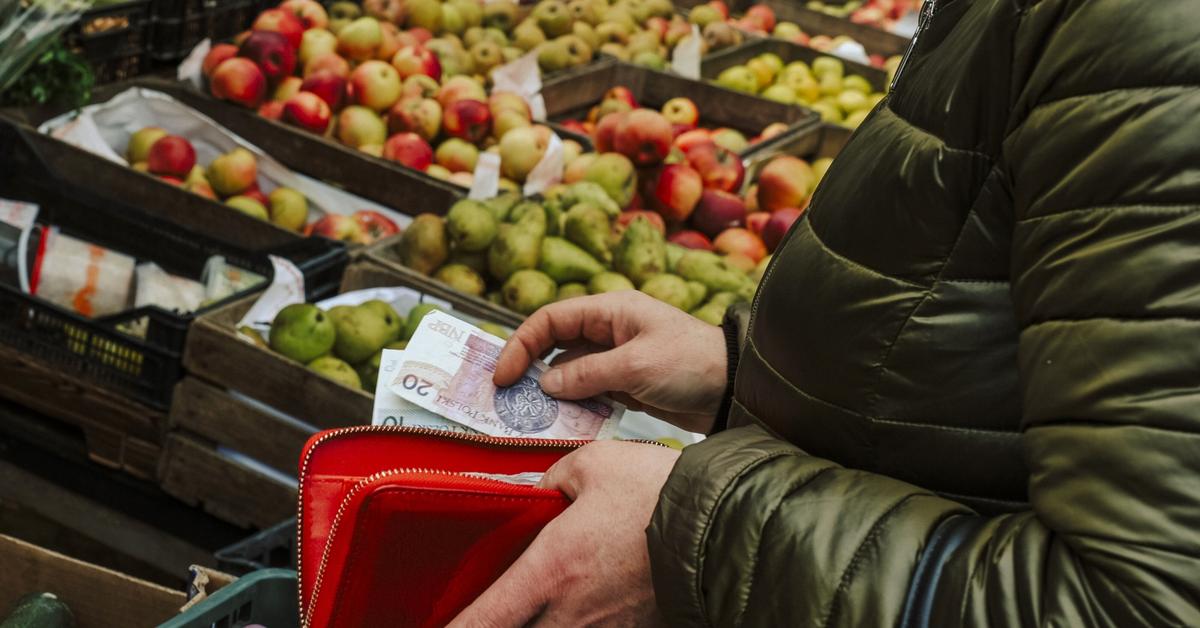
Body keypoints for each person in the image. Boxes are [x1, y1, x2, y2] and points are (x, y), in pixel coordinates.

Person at [449, 0, 1200, 625]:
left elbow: (1138, 605)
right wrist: (747, 375)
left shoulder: (1149, 33)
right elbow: (989, 363)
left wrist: (701, 534)